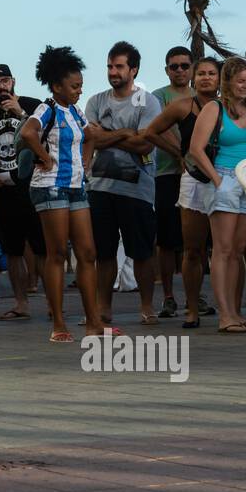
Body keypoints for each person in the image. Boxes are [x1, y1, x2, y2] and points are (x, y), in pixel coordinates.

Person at [19, 46, 99, 342]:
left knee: (88, 252)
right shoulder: (47, 108)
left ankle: (94, 322)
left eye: (80, 85)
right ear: (57, 86)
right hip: (50, 185)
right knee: (58, 254)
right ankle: (59, 324)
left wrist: (86, 162)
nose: (79, 91)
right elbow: (28, 133)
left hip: (77, 185)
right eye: (75, 86)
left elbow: (90, 137)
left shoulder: (76, 111)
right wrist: (44, 156)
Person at [84, 41, 162, 327]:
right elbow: (93, 140)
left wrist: (108, 134)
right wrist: (126, 132)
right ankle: (103, 309)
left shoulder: (147, 101)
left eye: (119, 66)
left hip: (137, 189)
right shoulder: (96, 101)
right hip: (100, 188)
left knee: (141, 252)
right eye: (109, 66)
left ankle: (146, 306)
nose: (113, 72)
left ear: (134, 69)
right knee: (103, 253)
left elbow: (144, 145)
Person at [142, 56, 221, 328]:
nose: (206, 78)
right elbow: (150, 132)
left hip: (223, 180)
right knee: (190, 247)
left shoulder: (230, 107)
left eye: (212, 73)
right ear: (194, 78)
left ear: (220, 78)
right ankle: (188, 307)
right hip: (190, 179)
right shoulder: (182, 106)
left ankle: (228, 309)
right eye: (201, 73)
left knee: (226, 249)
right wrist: (179, 153)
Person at [189, 57, 246, 333]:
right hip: (223, 177)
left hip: (245, 182)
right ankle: (225, 314)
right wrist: (219, 181)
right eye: (240, 81)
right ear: (228, 81)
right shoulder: (213, 108)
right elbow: (196, 148)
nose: (245, 86)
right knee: (223, 248)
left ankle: (234, 309)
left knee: (238, 250)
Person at [0, 62, 47, 321]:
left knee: (42, 248)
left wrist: (21, 113)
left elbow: (47, 138)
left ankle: (54, 303)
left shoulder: (33, 105)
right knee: (13, 249)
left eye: (5, 80)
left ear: (14, 81)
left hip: (34, 187)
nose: (2, 86)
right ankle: (21, 303)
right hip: (6, 191)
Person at [150, 46, 194, 318]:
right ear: (166, 69)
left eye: (184, 65)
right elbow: (154, 130)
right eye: (173, 66)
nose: (179, 70)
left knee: (195, 241)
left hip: (196, 176)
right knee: (166, 240)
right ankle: (168, 296)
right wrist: (180, 153)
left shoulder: (204, 97)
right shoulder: (158, 97)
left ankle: (194, 295)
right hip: (166, 174)